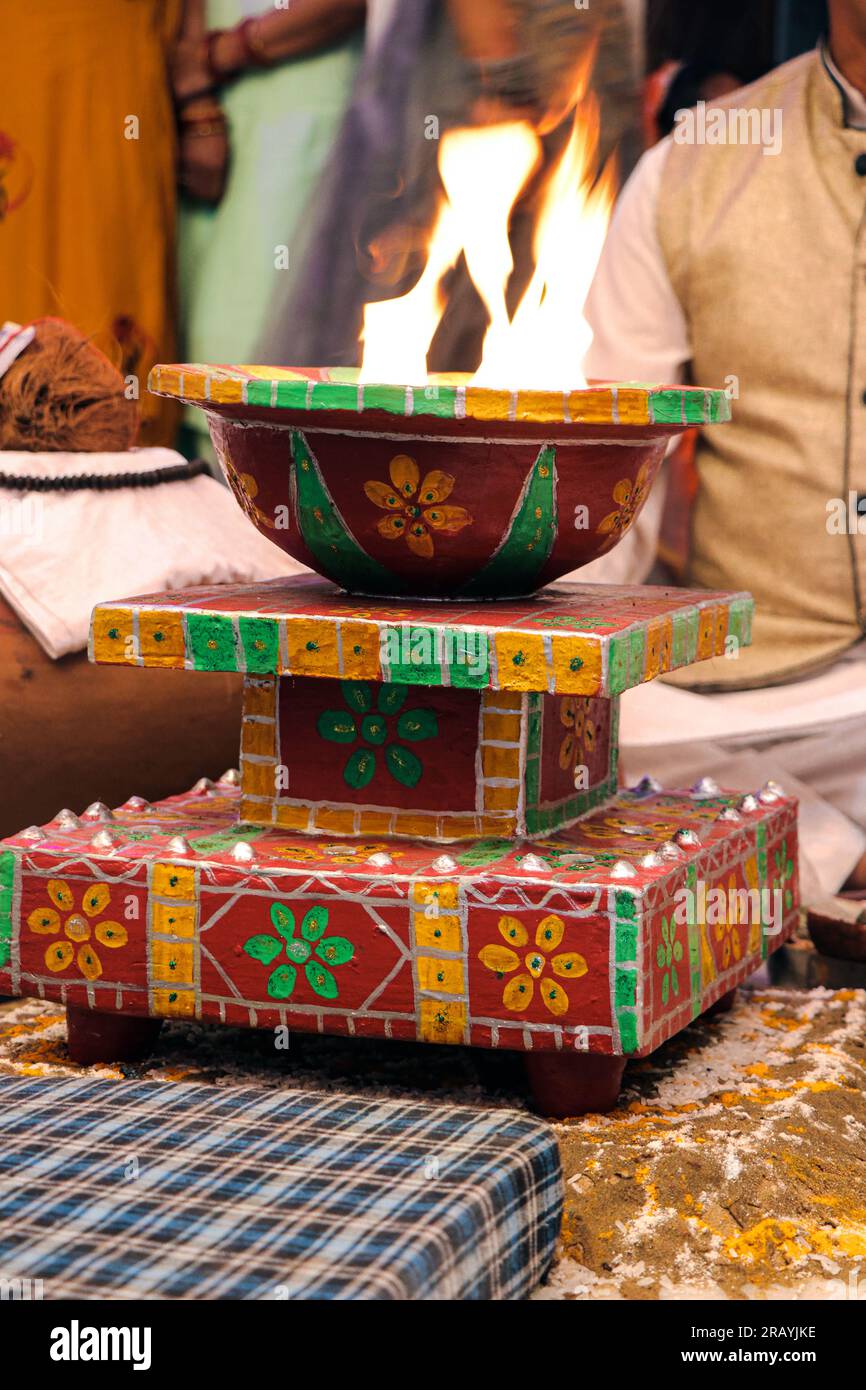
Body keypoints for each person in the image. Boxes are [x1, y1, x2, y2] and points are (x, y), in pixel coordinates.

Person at [580, 0, 866, 902]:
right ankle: (833, 862)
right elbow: (613, 473)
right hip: (758, 701)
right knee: (577, 729)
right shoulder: (690, 170)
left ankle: (793, 863)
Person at [173, 0, 366, 458]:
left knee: (274, 360)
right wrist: (194, 90)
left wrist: (217, 57)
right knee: (201, 343)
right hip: (207, 98)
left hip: (301, 96)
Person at [0, 0, 182, 447]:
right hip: (14, 49)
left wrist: (197, 102)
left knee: (106, 265)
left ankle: (108, 438)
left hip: (111, 57)